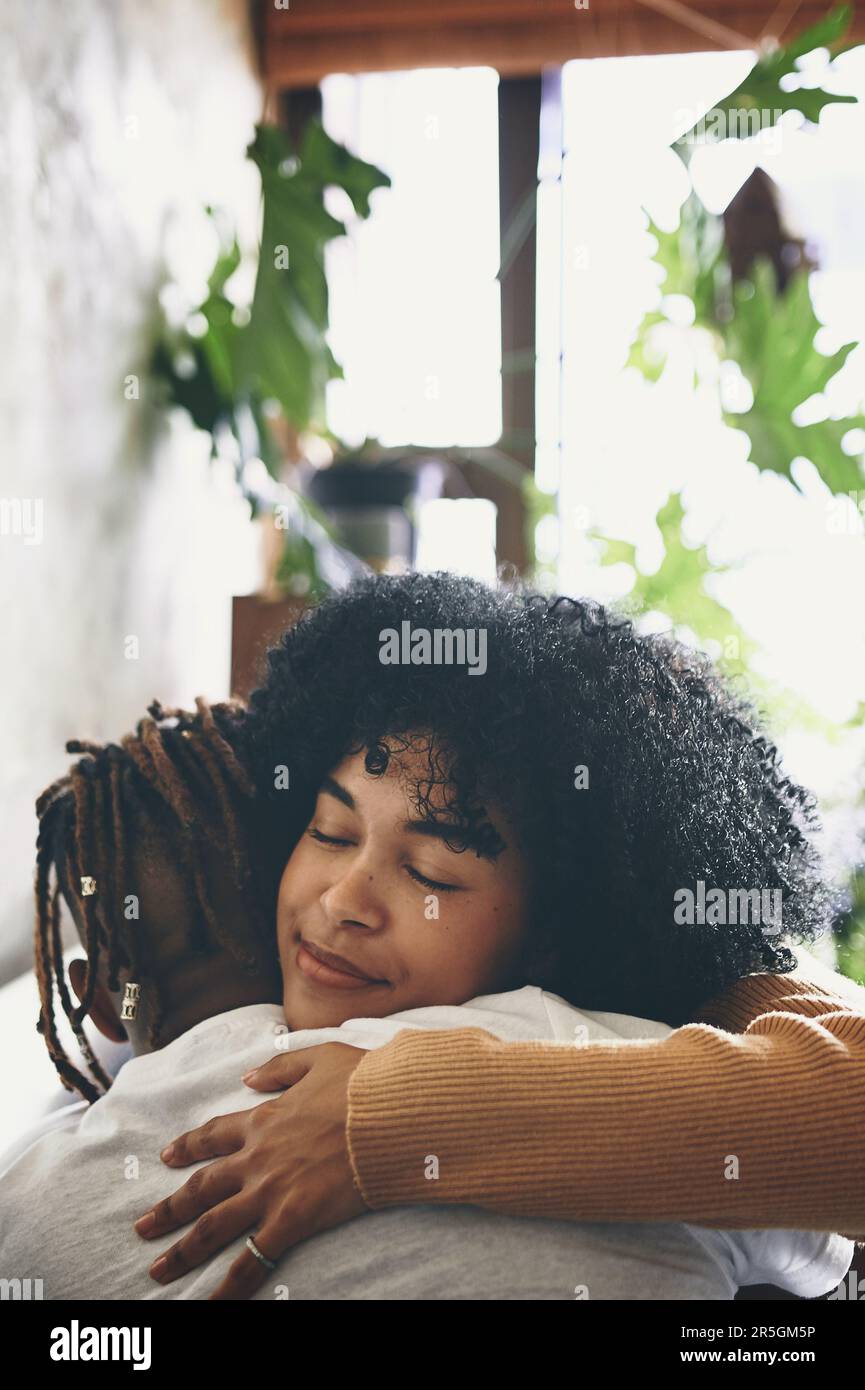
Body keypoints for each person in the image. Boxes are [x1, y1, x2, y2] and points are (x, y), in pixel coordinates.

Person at [12, 573, 865, 1300]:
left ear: (553, 936)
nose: (346, 898)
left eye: (431, 875)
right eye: (330, 833)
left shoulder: (591, 1038)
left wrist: (383, 1117)